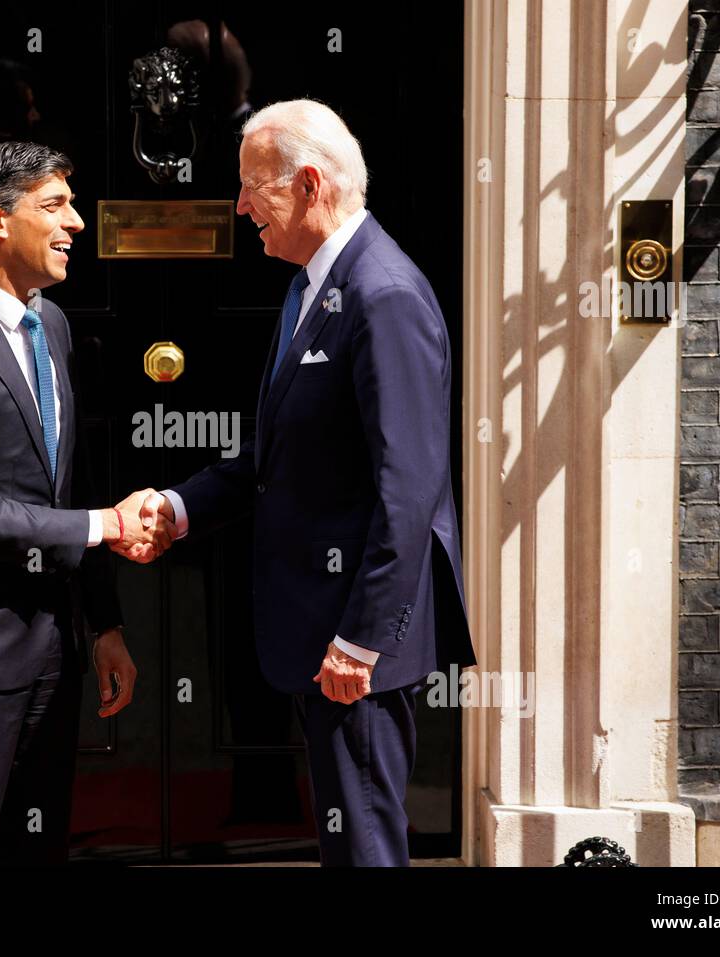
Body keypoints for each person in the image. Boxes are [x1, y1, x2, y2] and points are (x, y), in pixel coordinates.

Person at [128, 100, 477, 866]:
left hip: (352, 640)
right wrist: (177, 508)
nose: (240, 206)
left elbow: (407, 488)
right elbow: (276, 457)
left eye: (253, 186)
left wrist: (361, 639)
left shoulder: (383, 294)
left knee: (364, 849)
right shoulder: (310, 285)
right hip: (318, 628)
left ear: (310, 184)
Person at [0, 141, 174, 865]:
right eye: (55, 205)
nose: (76, 222)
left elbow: (69, 485)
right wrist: (109, 526)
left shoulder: (55, 327)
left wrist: (104, 624)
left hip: (56, 648)